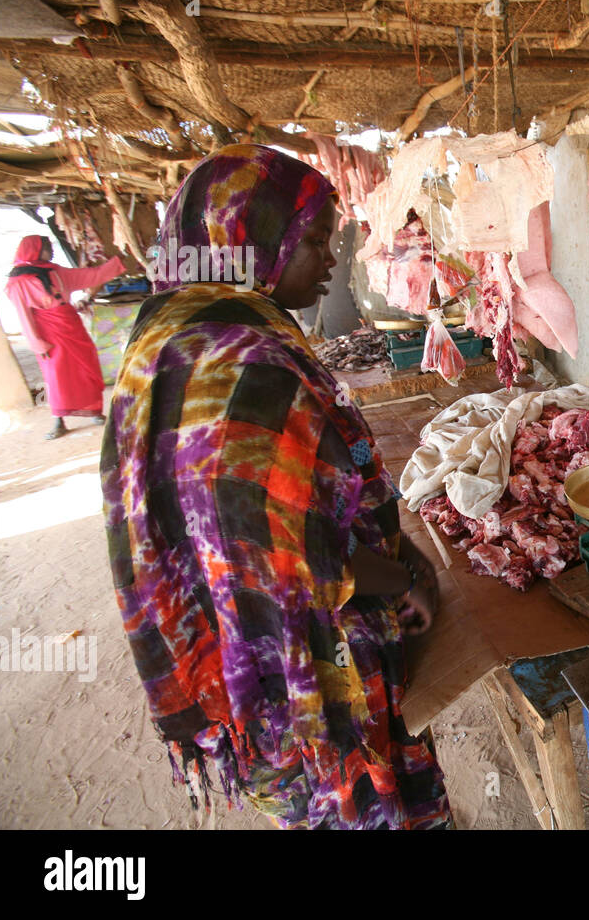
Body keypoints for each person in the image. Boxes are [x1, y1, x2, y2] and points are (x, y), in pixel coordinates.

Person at [100, 145, 450, 829]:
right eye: (315, 240)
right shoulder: (248, 364)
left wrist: (398, 546)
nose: (329, 258)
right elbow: (288, 559)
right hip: (311, 681)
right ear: (248, 243)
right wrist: (405, 580)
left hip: (238, 656)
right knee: (363, 805)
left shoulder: (169, 339)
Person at [4, 234, 126, 439]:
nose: (51, 251)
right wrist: (36, 343)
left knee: (87, 367)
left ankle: (94, 410)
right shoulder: (18, 282)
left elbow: (89, 276)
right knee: (57, 375)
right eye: (47, 247)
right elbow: (24, 316)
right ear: (34, 249)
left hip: (70, 324)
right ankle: (59, 420)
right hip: (48, 332)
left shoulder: (54, 271)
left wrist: (118, 262)